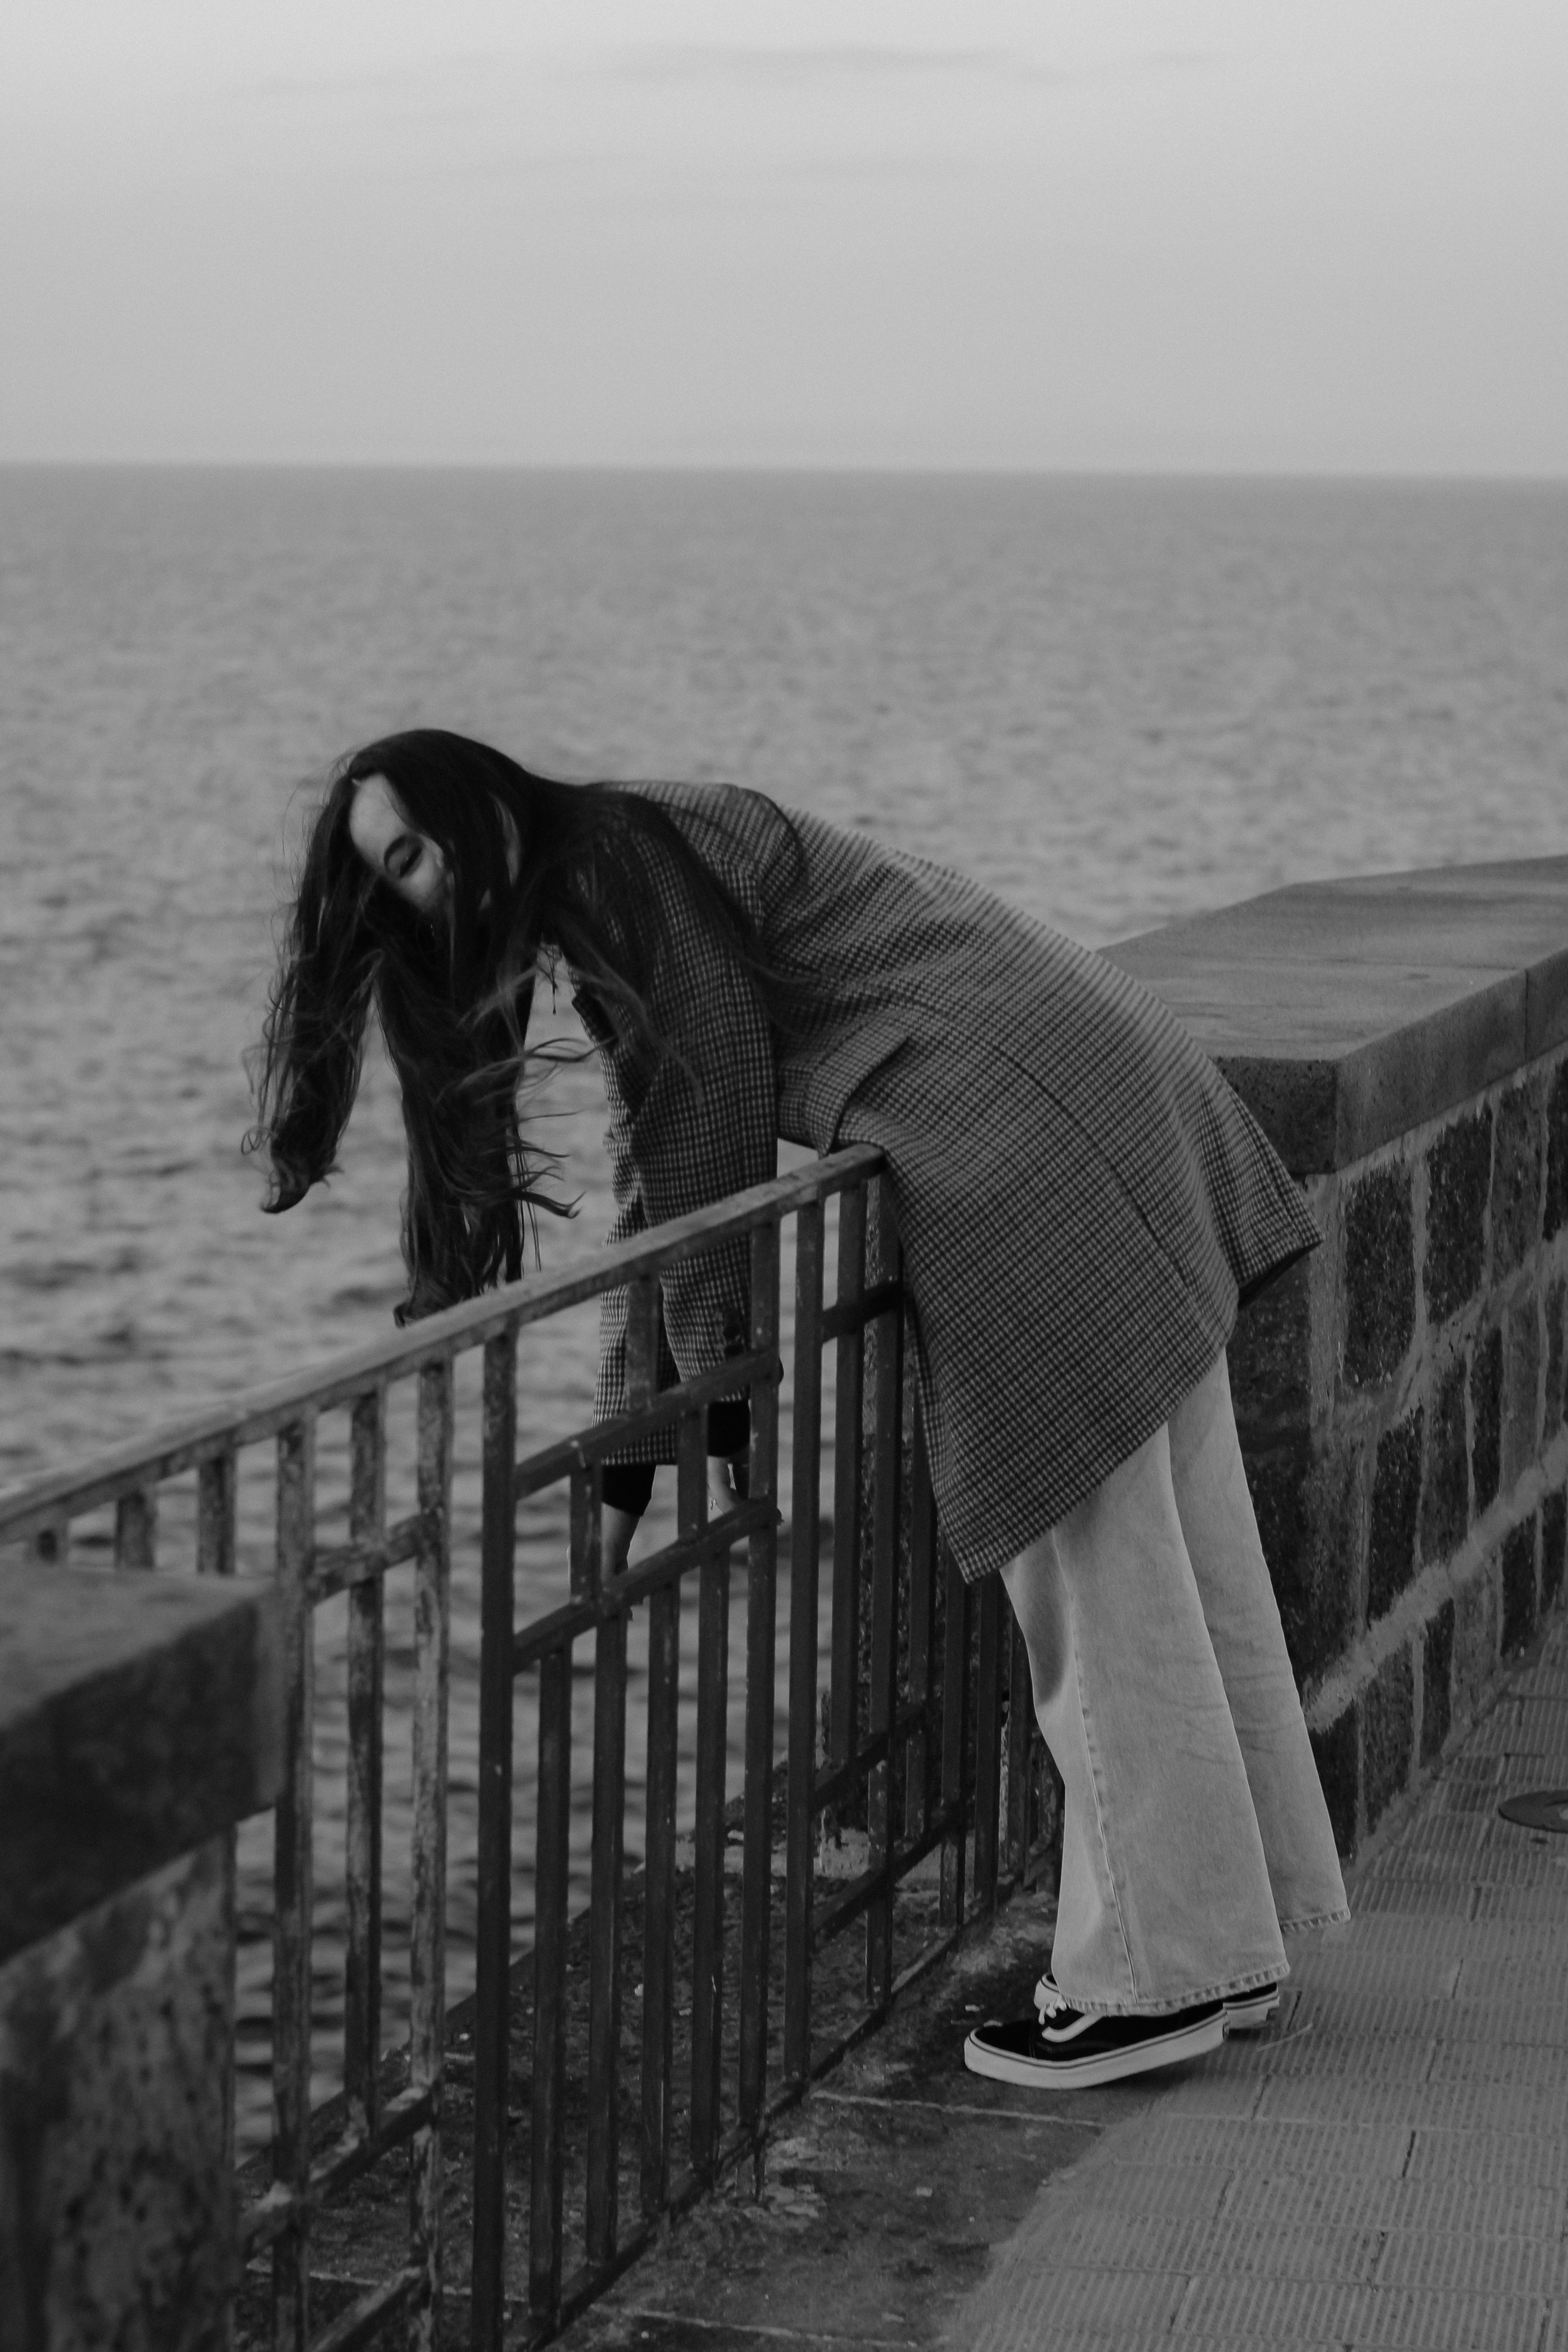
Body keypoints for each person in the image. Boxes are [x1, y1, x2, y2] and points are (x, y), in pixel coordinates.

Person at [252, 728, 1348, 2091]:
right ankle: (1229, 1947)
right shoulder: (619, 862)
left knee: (1097, 1580)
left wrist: (703, 1416)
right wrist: (637, 1458)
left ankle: (1153, 1977)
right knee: (1188, 1550)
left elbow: (700, 1148)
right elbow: (665, 1156)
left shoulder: (617, 869)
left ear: (479, 805)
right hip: (1093, 1084)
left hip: (1013, 1135)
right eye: (387, 879)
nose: (416, 895)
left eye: (412, 852)